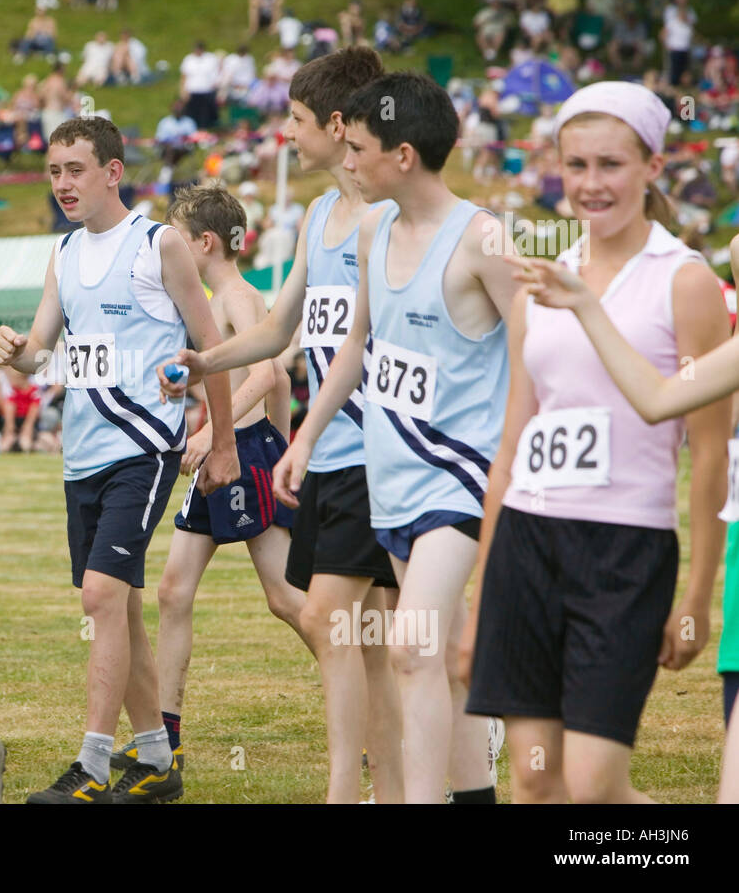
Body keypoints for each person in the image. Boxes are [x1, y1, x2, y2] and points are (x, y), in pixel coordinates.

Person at [250, 71, 515, 804]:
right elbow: (357, 348)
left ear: (403, 155)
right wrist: (304, 436)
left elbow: (534, 358)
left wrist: (514, 471)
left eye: (360, 147)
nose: (349, 158)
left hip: (460, 481)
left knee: (410, 646)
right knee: (446, 661)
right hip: (388, 477)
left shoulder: (485, 240)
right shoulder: (375, 229)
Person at [159, 48, 406, 803]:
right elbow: (277, 332)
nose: (287, 136)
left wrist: (271, 436)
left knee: (349, 627)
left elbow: (352, 349)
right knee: (369, 645)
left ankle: (354, 788)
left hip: (381, 455)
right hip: (329, 456)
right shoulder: (316, 218)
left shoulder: (390, 218)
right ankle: (395, 785)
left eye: (296, 120)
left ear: (336, 123)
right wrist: (205, 363)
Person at [481, 82, 733, 802]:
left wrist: (697, 596)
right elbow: (513, 441)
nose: (592, 184)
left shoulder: (684, 282)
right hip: (528, 543)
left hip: (625, 548)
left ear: (653, 168)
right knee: (535, 785)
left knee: (593, 789)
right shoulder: (539, 283)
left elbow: (711, 454)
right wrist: (482, 592)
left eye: (612, 165)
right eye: (578, 165)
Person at [0, 115, 240, 802]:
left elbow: (211, 342)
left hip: (143, 447)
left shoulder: (158, 244)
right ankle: (157, 758)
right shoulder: (63, 253)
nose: (62, 183)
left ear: (112, 171)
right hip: (83, 454)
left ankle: (93, 765)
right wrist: (17, 355)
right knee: (119, 604)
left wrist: (222, 442)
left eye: (74, 169)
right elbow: (43, 352)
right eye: (52, 171)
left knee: (99, 596)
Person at [109, 184, 302, 775]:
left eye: (176, 239)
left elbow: (271, 371)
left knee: (286, 599)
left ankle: (372, 700)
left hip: (238, 454)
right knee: (173, 591)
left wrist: (239, 441)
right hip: (231, 448)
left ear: (205, 242)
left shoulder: (238, 296)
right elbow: (270, 384)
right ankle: (165, 740)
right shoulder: (219, 297)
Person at [179, 41, 220, 129]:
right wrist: (183, 90)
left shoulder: (210, 59)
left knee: (205, 113)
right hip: (192, 90)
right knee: (192, 113)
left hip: (206, 91)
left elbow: (216, 73)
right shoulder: (188, 59)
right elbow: (184, 76)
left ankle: (205, 128)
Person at [1, 368, 42, 452]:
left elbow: (34, 410)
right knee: (5, 446)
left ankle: (27, 444)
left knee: (25, 444)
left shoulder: (34, 391)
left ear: (22, 378)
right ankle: (13, 441)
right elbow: (9, 408)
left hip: (27, 421)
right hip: (15, 420)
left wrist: (27, 427)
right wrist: (10, 427)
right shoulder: (12, 390)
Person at [661, 0, 696, 87]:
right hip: (675, 49)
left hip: (686, 49)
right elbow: (663, 34)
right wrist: (667, 46)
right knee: (674, 73)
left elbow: (692, 31)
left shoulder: (689, 15)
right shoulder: (672, 19)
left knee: (686, 72)